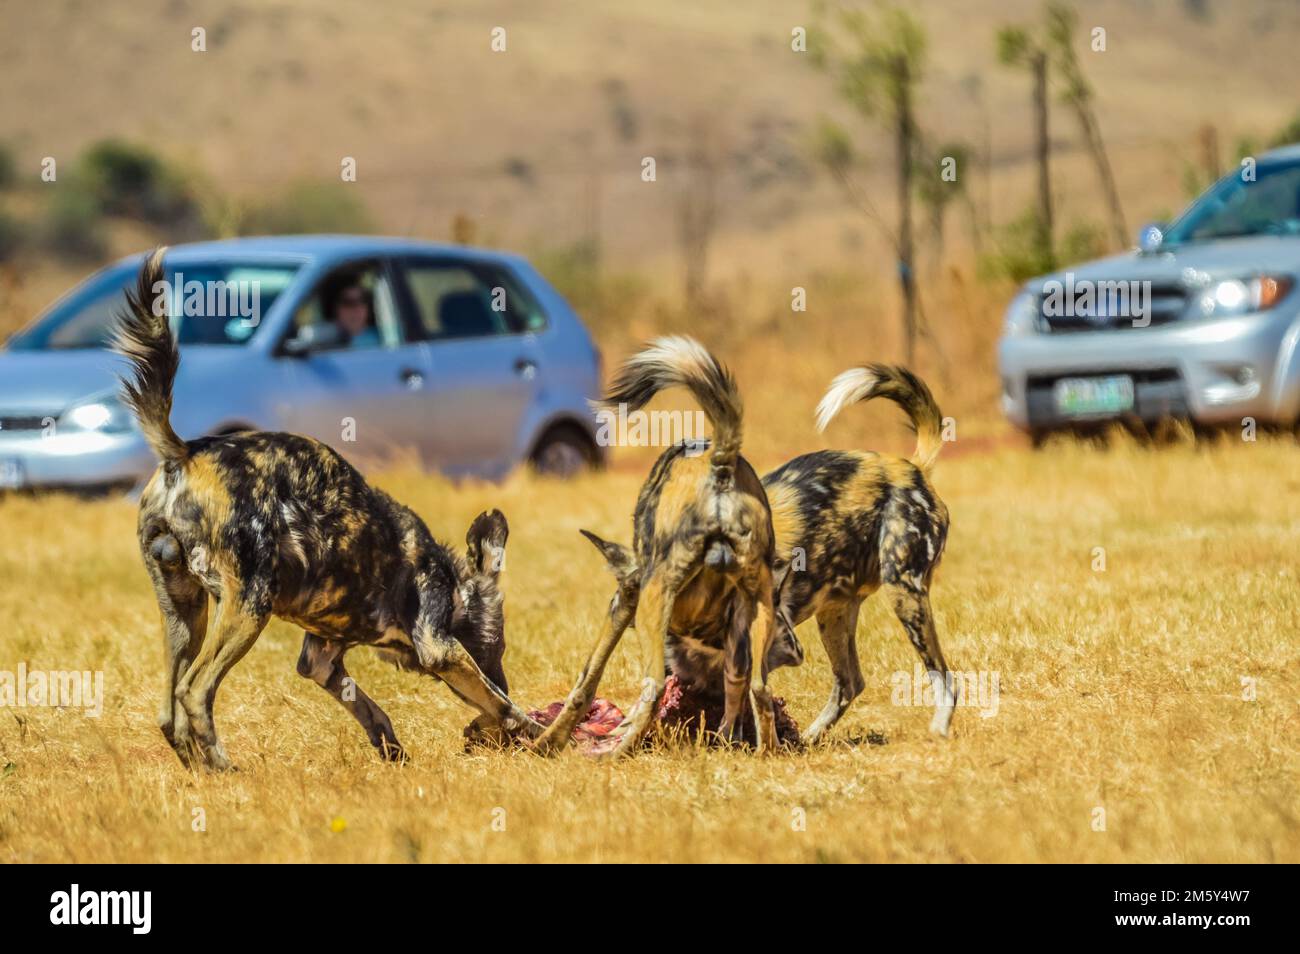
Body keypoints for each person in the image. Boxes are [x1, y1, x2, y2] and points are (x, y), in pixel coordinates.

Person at [326, 275, 380, 348]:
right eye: (349, 302)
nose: (357, 308)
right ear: (336, 308)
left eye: (362, 300)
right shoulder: (325, 345)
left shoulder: (385, 338)